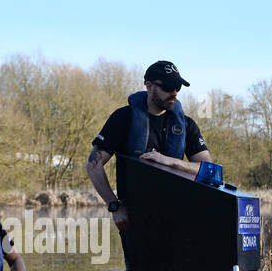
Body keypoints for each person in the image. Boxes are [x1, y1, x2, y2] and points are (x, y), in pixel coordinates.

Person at [86, 60, 214, 238]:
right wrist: (114, 206)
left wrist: (170, 161)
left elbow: (210, 171)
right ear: (149, 86)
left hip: (177, 218)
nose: (174, 93)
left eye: (178, 87)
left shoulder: (187, 124)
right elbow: (93, 165)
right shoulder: (123, 118)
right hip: (135, 220)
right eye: (168, 87)